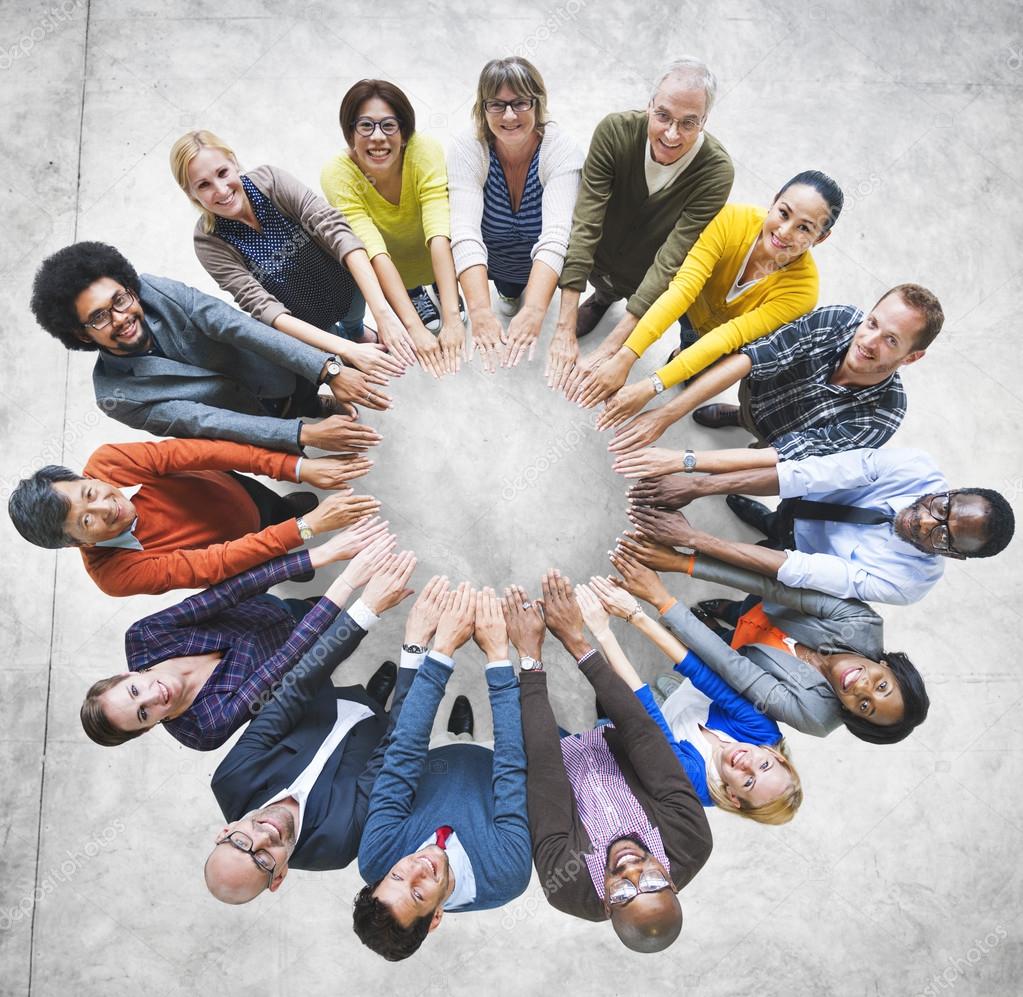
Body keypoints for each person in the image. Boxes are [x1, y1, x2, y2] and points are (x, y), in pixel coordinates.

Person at [512, 570, 712, 953]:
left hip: (558, 766)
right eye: (651, 882)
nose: (631, 870)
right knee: (614, 707)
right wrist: (577, 642)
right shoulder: (691, 842)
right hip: (617, 741)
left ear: (605, 904)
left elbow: (543, 774)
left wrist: (530, 659)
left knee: (536, 727)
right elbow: (642, 733)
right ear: (671, 881)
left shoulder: (566, 888)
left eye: (622, 892)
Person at [29, 242, 384, 455]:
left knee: (303, 394)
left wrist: (327, 369)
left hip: (273, 368)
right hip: (252, 421)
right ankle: (306, 411)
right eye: (99, 318)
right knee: (288, 415)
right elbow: (205, 422)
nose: (120, 318)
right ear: (81, 335)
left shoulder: (157, 290)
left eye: (120, 299)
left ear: (130, 289)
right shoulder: (117, 397)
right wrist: (302, 435)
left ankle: (314, 402)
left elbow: (235, 325)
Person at [204, 553, 419, 904]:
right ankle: (379, 700)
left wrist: (366, 609)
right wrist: (416, 652)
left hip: (328, 703)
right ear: (280, 877)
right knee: (384, 712)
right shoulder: (336, 848)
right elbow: (394, 755)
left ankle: (372, 694)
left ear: (226, 832)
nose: (262, 839)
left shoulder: (232, 779)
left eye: (241, 843)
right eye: (261, 861)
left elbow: (296, 688)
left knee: (363, 694)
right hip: (377, 739)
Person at [79, 528, 397, 751]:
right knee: (327, 656)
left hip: (267, 610)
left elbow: (231, 591)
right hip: (295, 666)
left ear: (127, 675)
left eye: (134, 690)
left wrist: (322, 554)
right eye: (143, 714)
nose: (151, 696)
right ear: (149, 727)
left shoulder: (145, 637)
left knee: (309, 608)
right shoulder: (205, 728)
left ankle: (313, 603)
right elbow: (282, 663)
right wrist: (348, 581)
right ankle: (370, 701)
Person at [579, 170, 844, 426]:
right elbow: (683, 290)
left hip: (724, 338)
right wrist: (626, 355)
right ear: (774, 201)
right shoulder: (733, 219)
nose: (785, 232)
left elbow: (729, 336)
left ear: (821, 237)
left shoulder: (803, 291)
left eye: (804, 229)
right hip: (688, 304)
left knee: (698, 360)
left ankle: (685, 354)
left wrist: (653, 385)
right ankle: (605, 298)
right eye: (783, 213)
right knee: (662, 290)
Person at [352, 585, 531, 962]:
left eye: (397, 878)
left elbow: (402, 756)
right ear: (435, 918)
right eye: (418, 893)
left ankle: (459, 734)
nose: (417, 868)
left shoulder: (374, 859)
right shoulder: (507, 876)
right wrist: (498, 658)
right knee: (497, 747)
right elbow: (512, 766)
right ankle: (469, 736)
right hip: (491, 761)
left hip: (437, 755)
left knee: (448, 737)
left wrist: (441, 652)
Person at [609, 540, 929, 743]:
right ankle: (725, 608)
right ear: (888, 666)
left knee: (719, 642)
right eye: (881, 686)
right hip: (768, 605)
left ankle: (712, 619)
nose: (862, 689)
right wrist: (684, 563)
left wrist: (662, 599)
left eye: (864, 707)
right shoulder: (862, 624)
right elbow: (777, 590)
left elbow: (734, 668)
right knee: (742, 604)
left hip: (745, 654)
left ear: (851, 715)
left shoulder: (816, 716)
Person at [547, 58, 734, 391]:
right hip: (602, 256)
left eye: (688, 123)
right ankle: (602, 300)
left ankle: (615, 304)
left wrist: (613, 347)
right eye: (662, 116)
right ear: (649, 105)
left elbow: (672, 258)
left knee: (646, 288)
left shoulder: (716, 172)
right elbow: (586, 221)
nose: (672, 134)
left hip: (647, 273)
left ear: (705, 121)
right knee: (603, 287)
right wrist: (563, 325)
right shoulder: (614, 131)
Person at [170, 130, 406, 391]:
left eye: (223, 173)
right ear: (191, 194)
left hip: (341, 283)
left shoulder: (270, 181)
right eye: (203, 185)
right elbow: (263, 307)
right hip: (302, 319)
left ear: (234, 163)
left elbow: (335, 228)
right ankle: (348, 341)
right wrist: (347, 351)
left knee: (354, 318)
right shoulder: (208, 242)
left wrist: (383, 313)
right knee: (332, 337)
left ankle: (357, 331)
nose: (221, 190)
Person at [627, 447, 1016, 606]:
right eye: (944, 505)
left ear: (955, 555)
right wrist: (697, 484)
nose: (926, 519)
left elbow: (802, 570)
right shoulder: (914, 468)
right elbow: (806, 476)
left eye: (943, 534)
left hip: (802, 554)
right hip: (804, 500)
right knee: (778, 514)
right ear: (954, 489)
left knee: (772, 562)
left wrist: (693, 538)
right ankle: (766, 517)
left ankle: (767, 533)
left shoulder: (910, 584)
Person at [609, 284, 944, 463]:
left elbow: (787, 458)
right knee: (746, 408)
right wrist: (666, 413)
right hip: (757, 390)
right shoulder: (840, 320)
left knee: (758, 456)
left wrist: (686, 464)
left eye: (891, 340)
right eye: (872, 323)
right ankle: (740, 416)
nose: (868, 341)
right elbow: (754, 357)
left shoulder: (883, 414)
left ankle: (746, 424)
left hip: (777, 443)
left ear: (911, 358)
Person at [8, 437, 379, 596]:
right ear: (79, 543)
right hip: (234, 553)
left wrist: (293, 467)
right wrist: (306, 529)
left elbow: (203, 453)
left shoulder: (109, 461)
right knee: (284, 553)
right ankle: (292, 547)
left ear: (85, 477)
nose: (107, 507)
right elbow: (211, 564)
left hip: (231, 491)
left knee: (279, 509)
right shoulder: (114, 575)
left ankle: (285, 513)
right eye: (87, 521)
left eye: (90, 493)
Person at [574, 578, 801, 824]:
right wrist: (634, 613)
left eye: (749, 782)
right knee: (669, 686)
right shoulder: (763, 731)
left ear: (734, 797)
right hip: (690, 698)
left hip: (660, 732)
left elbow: (647, 717)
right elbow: (701, 673)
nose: (747, 763)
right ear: (777, 757)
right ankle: (666, 688)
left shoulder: (696, 785)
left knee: (613, 704)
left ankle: (607, 717)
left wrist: (603, 633)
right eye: (764, 765)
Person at [321, 79, 466, 378]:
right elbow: (372, 250)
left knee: (443, 280)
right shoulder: (338, 174)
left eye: (388, 126)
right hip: (394, 268)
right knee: (410, 288)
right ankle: (415, 295)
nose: (377, 138)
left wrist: (451, 316)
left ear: (404, 131)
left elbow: (439, 229)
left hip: (435, 254)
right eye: (365, 126)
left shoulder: (424, 150)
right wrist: (412, 326)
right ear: (350, 132)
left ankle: (442, 288)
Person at [447, 56, 583, 372]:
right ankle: (509, 294)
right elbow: (464, 232)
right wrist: (480, 310)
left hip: (544, 265)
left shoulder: (561, 149)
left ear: (538, 103)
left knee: (527, 299)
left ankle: (525, 297)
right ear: (483, 109)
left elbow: (556, 235)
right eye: (496, 105)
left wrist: (536, 309)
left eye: (520, 103)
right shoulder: (468, 148)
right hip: (494, 263)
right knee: (507, 294)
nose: (509, 115)